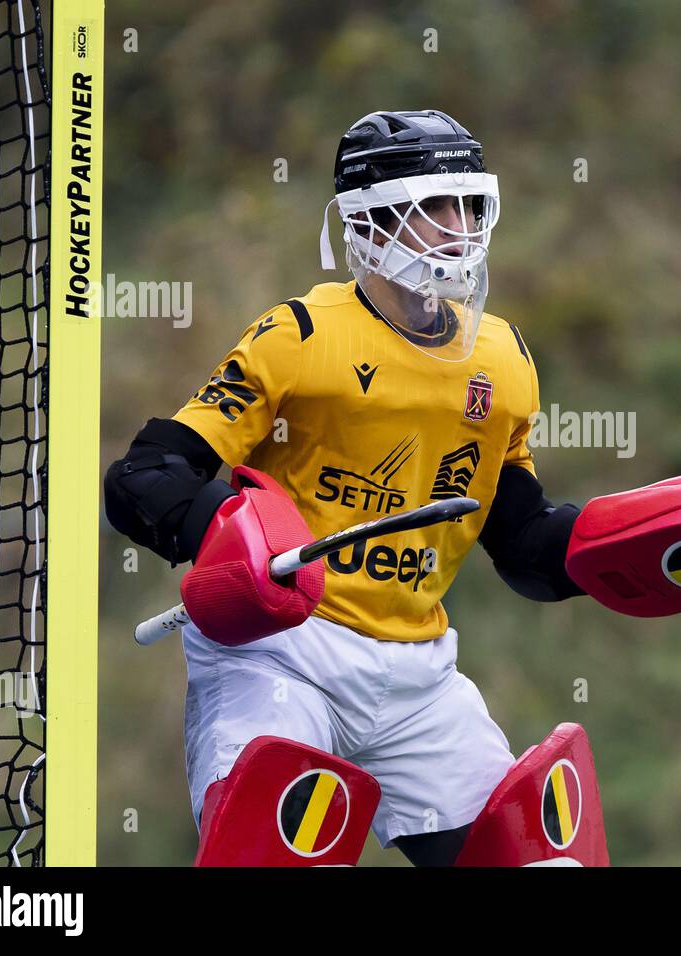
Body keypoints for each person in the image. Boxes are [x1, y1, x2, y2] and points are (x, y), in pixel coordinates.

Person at [105, 110, 583, 866]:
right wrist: (228, 534)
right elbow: (144, 478)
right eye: (435, 207)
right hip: (281, 657)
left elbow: (522, 540)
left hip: (420, 681)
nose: (458, 227)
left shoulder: (504, 356)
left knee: (537, 863)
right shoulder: (300, 336)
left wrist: (611, 550)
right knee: (265, 855)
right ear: (371, 219)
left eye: (468, 205)